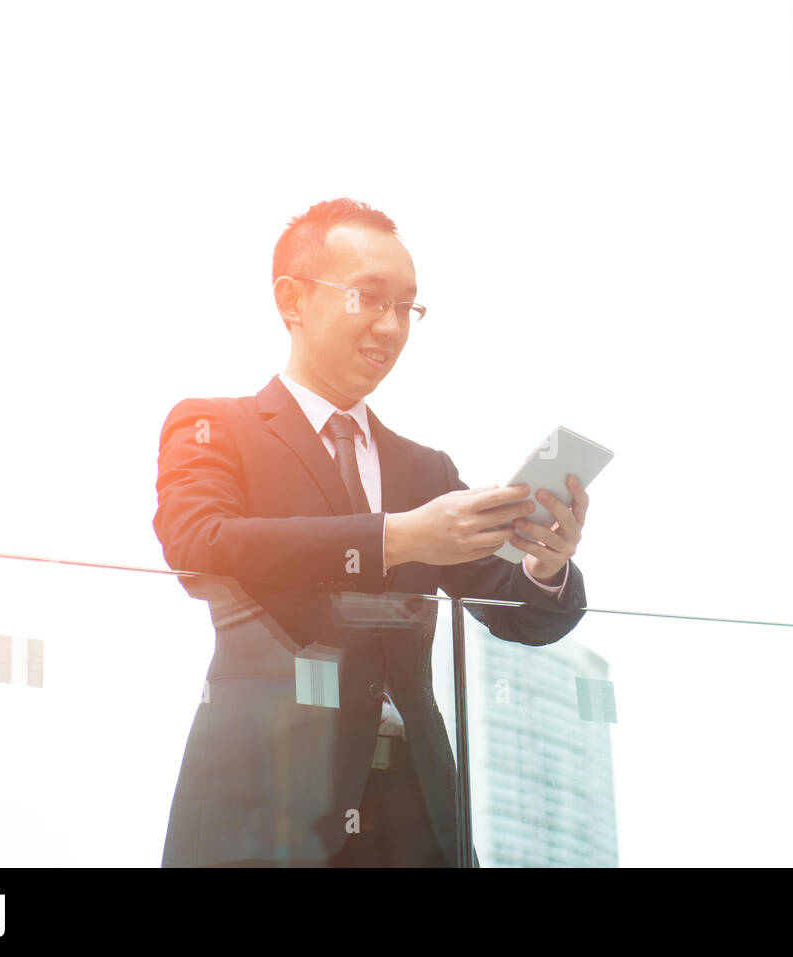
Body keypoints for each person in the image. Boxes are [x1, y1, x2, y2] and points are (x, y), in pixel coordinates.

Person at [152, 198, 591, 867]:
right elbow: (197, 542)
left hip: (417, 807)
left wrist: (545, 565)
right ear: (292, 299)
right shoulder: (215, 426)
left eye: (407, 307)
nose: (391, 326)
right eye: (369, 297)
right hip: (269, 799)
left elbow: (523, 616)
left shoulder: (425, 468)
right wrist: (396, 538)